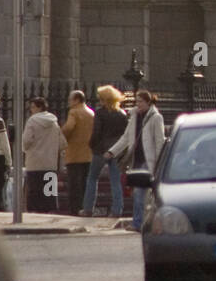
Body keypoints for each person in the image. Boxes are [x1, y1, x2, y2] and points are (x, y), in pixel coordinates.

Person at [105, 90, 165, 232]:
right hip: (136, 160)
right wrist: (112, 151)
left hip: (148, 161)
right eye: (136, 101)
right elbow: (126, 138)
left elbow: (159, 141)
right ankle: (145, 222)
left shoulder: (156, 118)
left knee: (139, 192)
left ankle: (138, 223)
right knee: (140, 194)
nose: (138, 104)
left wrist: (159, 162)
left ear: (148, 102)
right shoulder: (134, 117)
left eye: (141, 101)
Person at [81, 85, 128, 217]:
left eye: (100, 98)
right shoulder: (122, 114)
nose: (99, 100)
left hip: (101, 150)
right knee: (115, 181)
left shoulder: (100, 113)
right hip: (116, 150)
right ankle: (117, 210)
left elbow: (96, 132)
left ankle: (88, 208)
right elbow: (125, 134)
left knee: (92, 178)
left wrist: (92, 145)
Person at [22, 97, 66, 213]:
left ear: (39, 107)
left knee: (35, 191)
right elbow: (62, 143)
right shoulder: (54, 122)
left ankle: (35, 213)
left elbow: (26, 141)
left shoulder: (32, 121)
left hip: (34, 162)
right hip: (50, 163)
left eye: (33, 107)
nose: (31, 110)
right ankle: (49, 212)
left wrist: (26, 149)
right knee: (49, 193)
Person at [61, 90, 95, 214]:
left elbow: (69, 127)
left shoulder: (74, 112)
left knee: (74, 184)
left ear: (76, 100)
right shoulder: (91, 112)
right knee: (85, 183)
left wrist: (62, 136)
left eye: (70, 100)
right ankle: (85, 208)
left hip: (74, 153)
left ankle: (75, 209)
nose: (69, 102)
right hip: (88, 153)